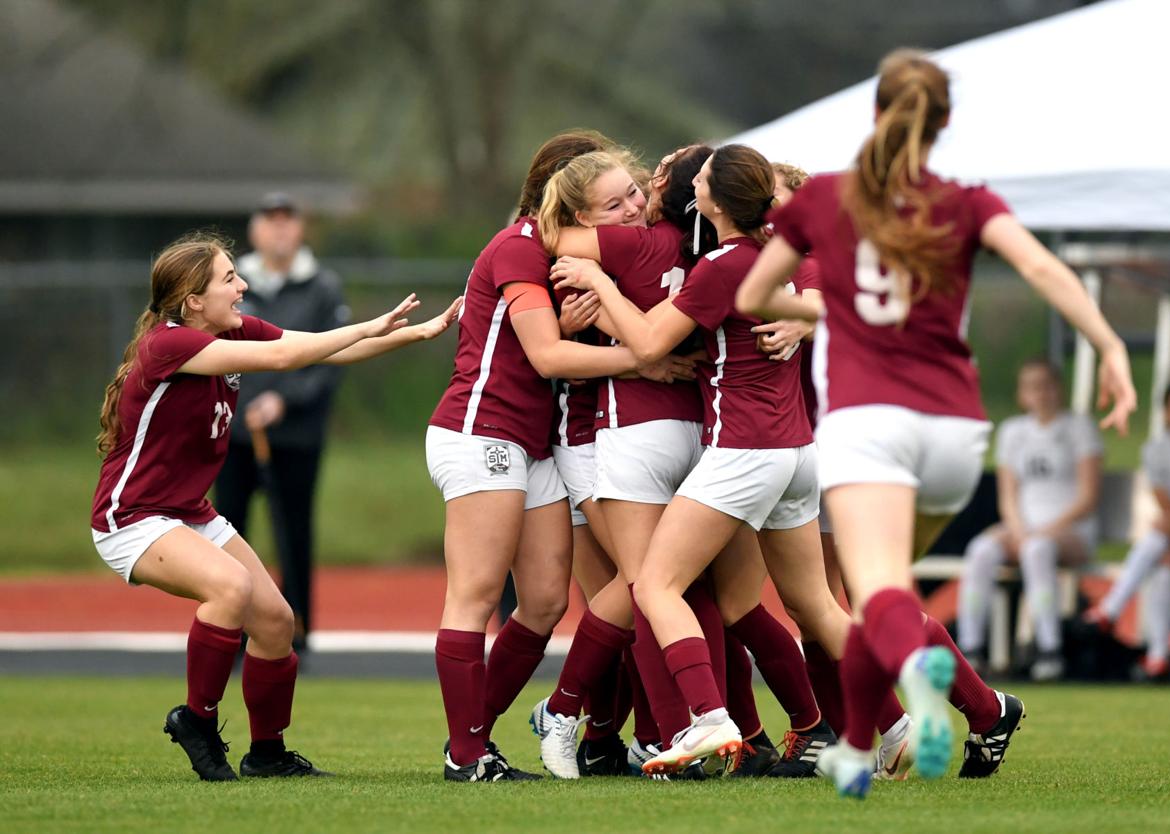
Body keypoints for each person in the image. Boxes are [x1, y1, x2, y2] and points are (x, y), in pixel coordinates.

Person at [735, 48, 1136, 798]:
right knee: (886, 596)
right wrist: (1109, 344)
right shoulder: (968, 200)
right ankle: (863, 745)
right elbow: (1045, 270)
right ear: (943, 124)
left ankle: (918, 684)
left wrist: (820, 309)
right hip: (956, 432)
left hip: (868, 424)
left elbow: (758, 292)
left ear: (876, 112)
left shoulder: (824, 197)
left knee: (877, 593)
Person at [90, 233, 459, 782]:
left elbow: (318, 346)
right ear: (192, 301)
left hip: (188, 511)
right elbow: (288, 355)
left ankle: (267, 754)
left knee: (276, 621)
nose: (242, 286)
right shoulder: (168, 345)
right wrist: (365, 324)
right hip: (132, 517)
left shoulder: (229, 330)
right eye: (229, 279)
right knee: (231, 590)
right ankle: (197, 720)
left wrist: (413, 334)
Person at [554, 145, 842, 777]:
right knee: (792, 606)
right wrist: (807, 317)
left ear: (706, 199)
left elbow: (558, 245)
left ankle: (686, 723)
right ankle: (895, 721)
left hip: (731, 447)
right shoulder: (776, 254)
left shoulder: (700, 258)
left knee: (653, 586)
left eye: (659, 177)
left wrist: (598, 285)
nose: (644, 189)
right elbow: (837, 286)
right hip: (792, 451)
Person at [426, 130, 673, 783]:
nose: (632, 207)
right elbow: (546, 356)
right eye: (613, 200)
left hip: (530, 442)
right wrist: (645, 353)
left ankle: (471, 737)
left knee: (541, 603)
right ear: (573, 206)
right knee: (476, 595)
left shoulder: (576, 255)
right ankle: (466, 753)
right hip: (483, 431)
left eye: (633, 195)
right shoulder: (520, 245)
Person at [214, 192, 347, 651]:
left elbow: (329, 362)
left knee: (294, 532)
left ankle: (295, 631)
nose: (280, 229)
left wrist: (282, 401)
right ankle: (228, 630)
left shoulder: (322, 287)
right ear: (255, 230)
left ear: (300, 229)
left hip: (295, 438)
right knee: (226, 533)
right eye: (270, 221)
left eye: (288, 221)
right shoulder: (232, 285)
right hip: (232, 436)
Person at [956, 358, 1103, 681]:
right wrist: (1019, 528)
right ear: (1023, 395)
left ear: (1059, 390)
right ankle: (970, 650)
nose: (1042, 394)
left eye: (1048, 385)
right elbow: (1008, 495)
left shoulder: (1079, 428)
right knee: (980, 550)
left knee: (1037, 550)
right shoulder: (1013, 431)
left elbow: (1088, 498)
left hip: (1070, 530)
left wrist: (1042, 532)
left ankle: (1048, 650)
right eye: (1033, 387)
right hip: (1024, 526)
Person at [1088, 377, 1170, 680]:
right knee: (1166, 559)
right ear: (1167, 414)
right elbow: (1169, 509)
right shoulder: (1156, 451)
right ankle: (1159, 657)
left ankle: (1111, 608)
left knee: (1161, 530)